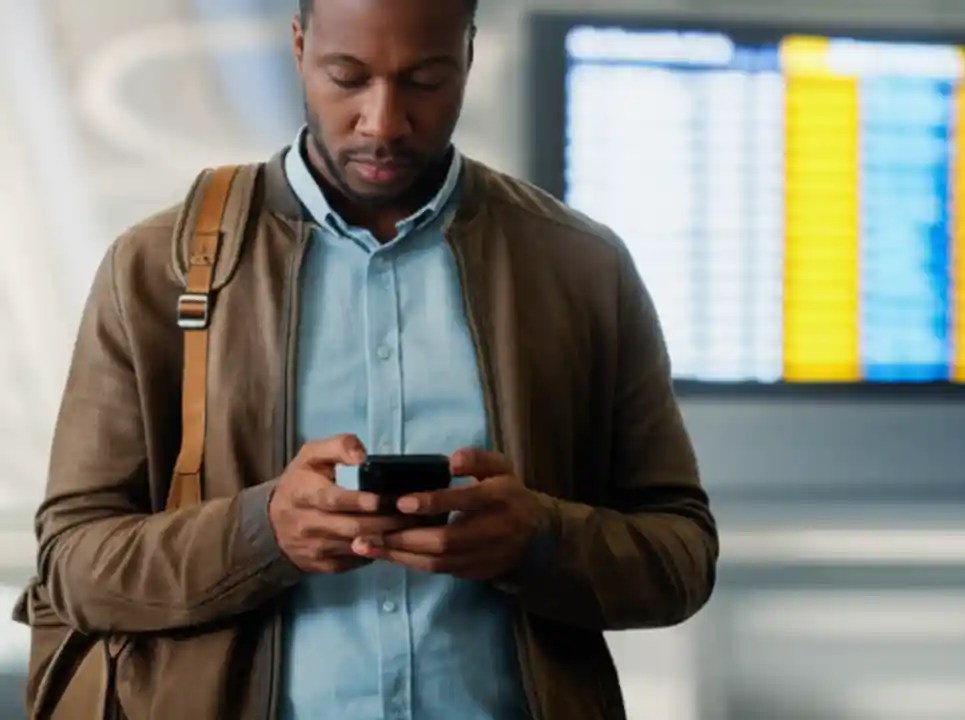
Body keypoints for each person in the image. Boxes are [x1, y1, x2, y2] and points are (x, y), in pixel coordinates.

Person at [17, 0, 717, 718]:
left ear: (470, 57)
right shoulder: (157, 268)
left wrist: (538, 543)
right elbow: (73, 563)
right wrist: (264, 533)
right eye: (346, 77)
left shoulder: (581, 267)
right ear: (298, 48)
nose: (383, 123)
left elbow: (681, 556)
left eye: (425, 80)